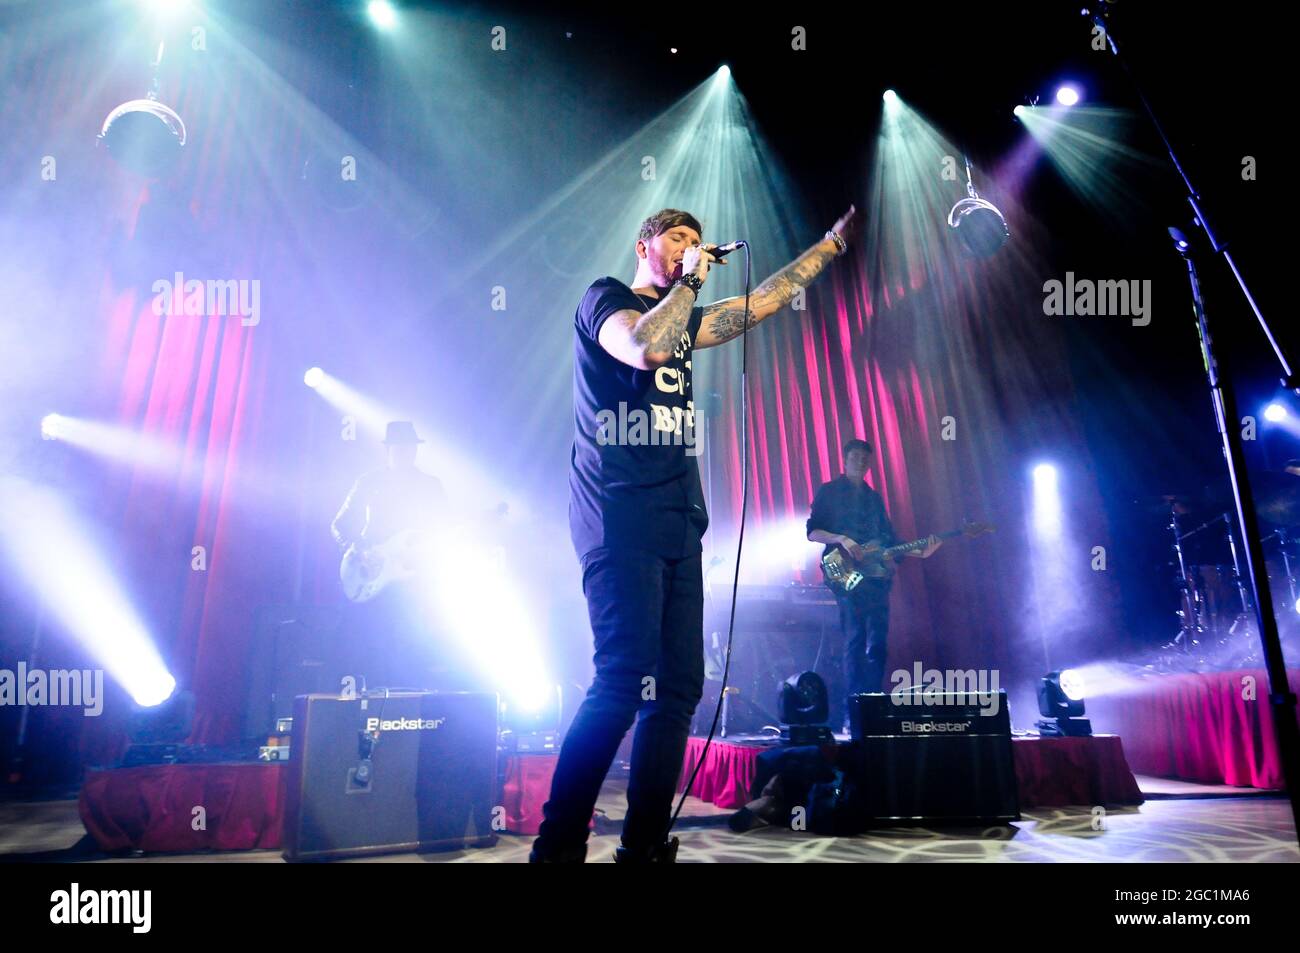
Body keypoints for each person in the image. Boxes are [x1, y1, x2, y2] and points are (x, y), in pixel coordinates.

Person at [532, 204, 859, 863]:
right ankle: (558, 843)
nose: (690, 246)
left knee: (678, 686)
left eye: (697, 241)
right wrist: (689, 281)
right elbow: (643, 346)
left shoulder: (688, 317)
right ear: (644, 245)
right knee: (623, 676)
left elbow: (762, 303)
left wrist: (826, 249)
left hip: (680, 518)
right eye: (677, 238)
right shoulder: (608, 299)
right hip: (617, 510)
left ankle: (645, 843)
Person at [807, 438, 940, 726]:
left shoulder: (874, 499)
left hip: (876, 579)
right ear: (845, 460)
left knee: (878, 642)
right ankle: (853, 712)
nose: (860, 462)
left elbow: (890, 542)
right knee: (854, 638)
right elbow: (813, 532)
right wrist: (841, 538)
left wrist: (921, 551)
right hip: (844, 574)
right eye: (855, 457)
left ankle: (873, 705)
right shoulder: (830, 492)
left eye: (865, 458)